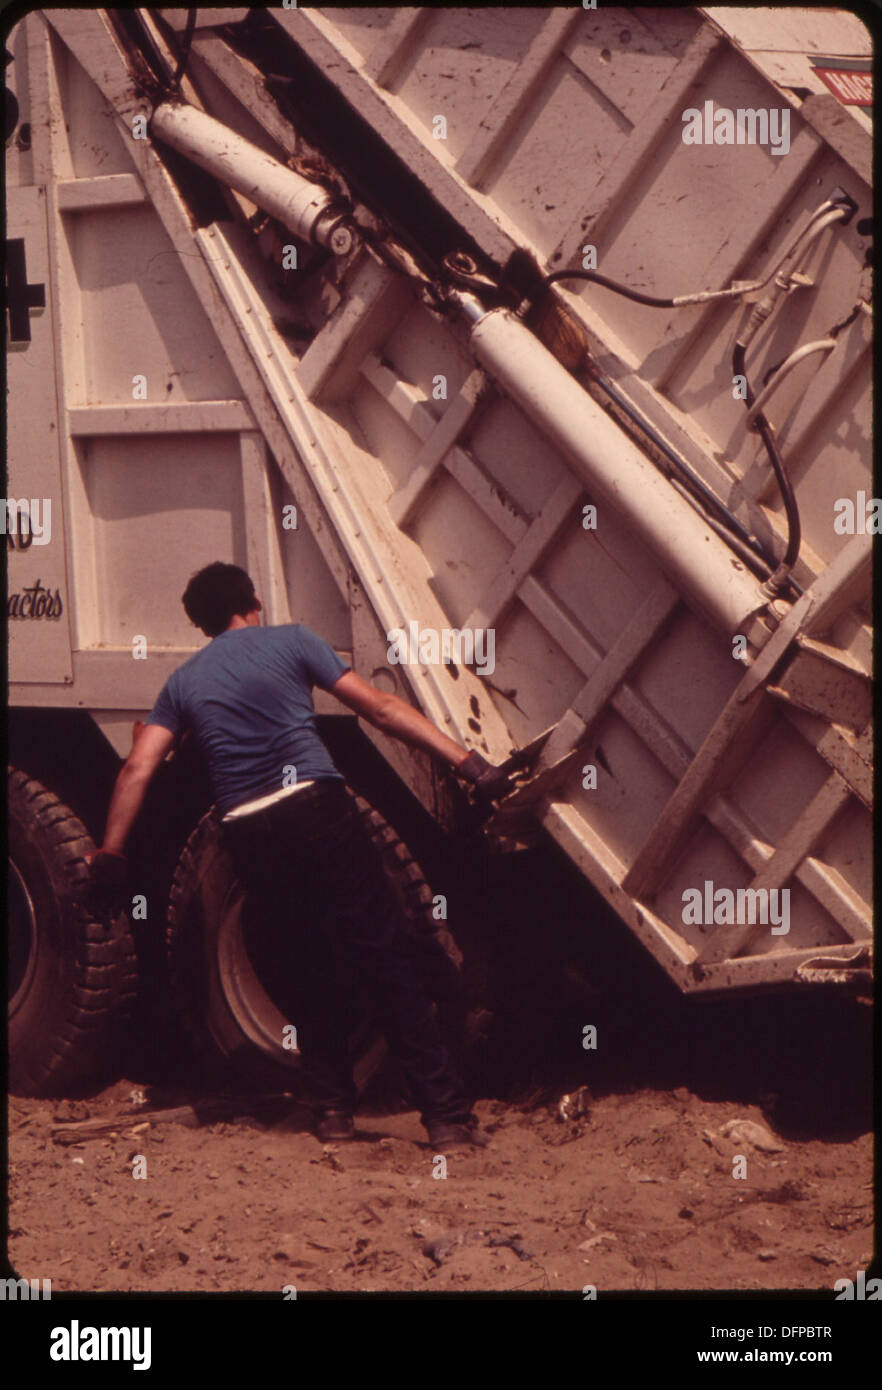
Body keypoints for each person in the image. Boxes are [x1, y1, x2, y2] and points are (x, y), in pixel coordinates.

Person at [87, 562, 510, 1148]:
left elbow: (139, 766)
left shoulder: (184, 683)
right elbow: (381, 710)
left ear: (202, 625)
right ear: (253, 602)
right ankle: (445, 1119)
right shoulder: (293, 640)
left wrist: (110, 851)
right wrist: (467, 762)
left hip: (248, 831)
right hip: (315, 807)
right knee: (382, 954)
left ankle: (332, 1112)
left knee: (305, 964)